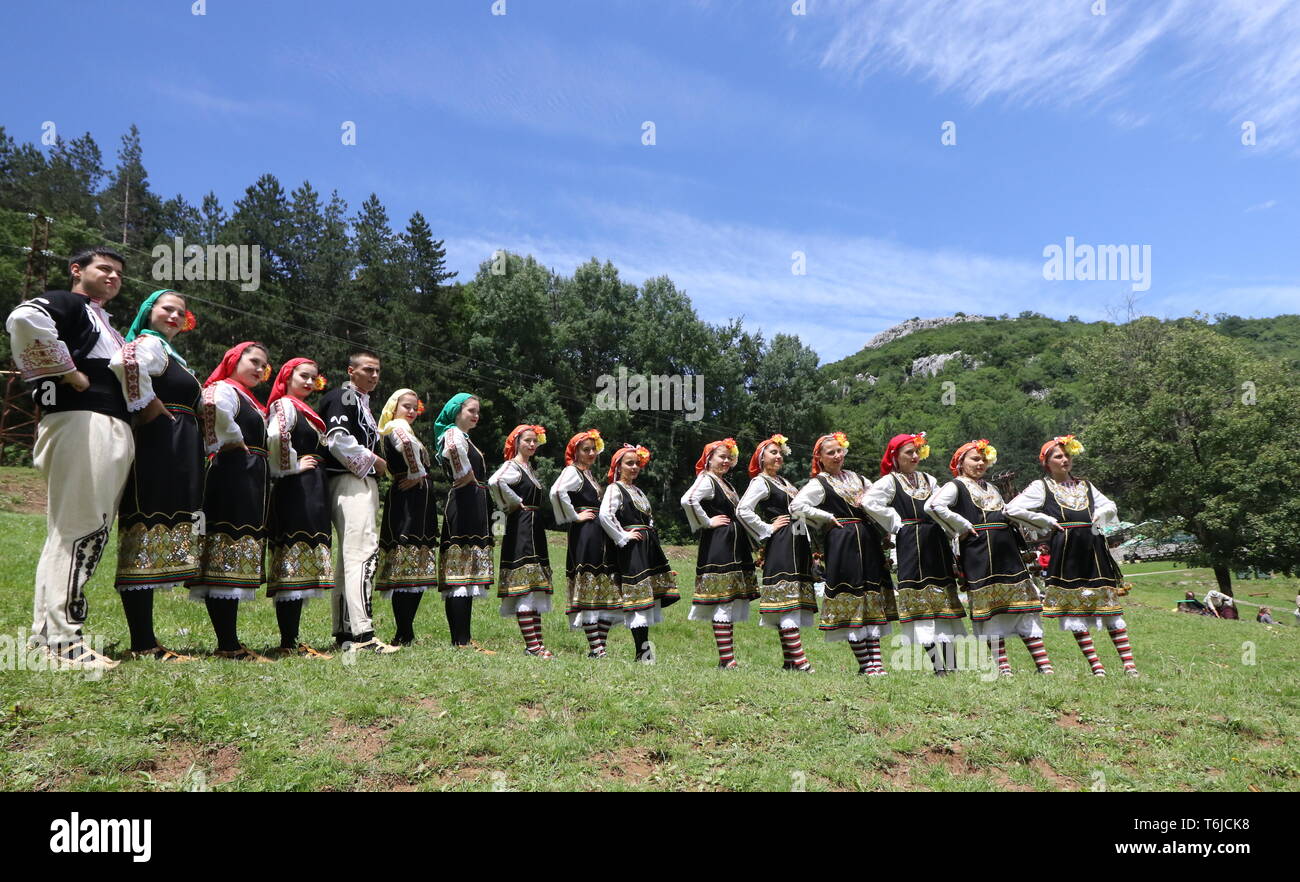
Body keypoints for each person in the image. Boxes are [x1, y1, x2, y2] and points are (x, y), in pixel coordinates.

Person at [6, 247, 134, 670]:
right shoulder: (69, 302)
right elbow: (24, 319)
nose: (113, 276)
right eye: (104, 268)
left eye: (118, 272)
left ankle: (50, 635)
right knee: (80, 528)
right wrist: (67, 371)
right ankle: (61, 641)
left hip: (100, 423)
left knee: (82, 528)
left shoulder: (99, 318)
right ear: (77, 271)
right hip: (83, 422)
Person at [108, 289, 201, 662]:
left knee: (155, 531)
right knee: (143, 529)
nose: (175, 316)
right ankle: (142, 642)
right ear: (149, 312)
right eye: (167, 309)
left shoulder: (169, 352)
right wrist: (146, 404)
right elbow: (123, 360)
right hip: (157, 447)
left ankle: (147, 640)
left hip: (176, 448)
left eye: (181, 311)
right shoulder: (148, 344)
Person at [1006, 435, 1137, 676]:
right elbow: (1012, 509)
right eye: (1058, 456)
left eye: (1067, 455)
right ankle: (1096, 667)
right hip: (1066, 549)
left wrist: (1100, 514)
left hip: (1094, 547)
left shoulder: (1085, 486)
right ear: (1047, 462)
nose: (1065, 459)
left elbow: (1110, 505)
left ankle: (1129, 665)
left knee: (1109, 604)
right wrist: (1044, 521)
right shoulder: (1041, 487)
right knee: (1075, 607)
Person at [926, 439, 1054, 676]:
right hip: (978, 553)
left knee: (1024, 605)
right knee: (990, 609)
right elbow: (933, 506)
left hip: (1007, 551)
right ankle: (1003, 667)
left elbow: (1008, 513)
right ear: (961, 463)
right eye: (975, 458)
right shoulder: (956, 486)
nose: (980, 463)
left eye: (984, 459)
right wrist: (961, 526)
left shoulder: (992, 488)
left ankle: (1043, 665)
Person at [189, 342, 274, 662]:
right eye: (253, 361)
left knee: (236, 552)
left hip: (250, 476)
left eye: (263, 366)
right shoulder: (224, 388)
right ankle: (227, 643)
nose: (259, 368)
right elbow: (210, 404)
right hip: (231, 474)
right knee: (225, 548)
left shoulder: (251, 400)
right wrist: (232, 439)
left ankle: (230, 641)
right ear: (234, 360)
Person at [790, 432, 897, 676]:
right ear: (820, 457)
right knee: (850, 594)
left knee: (871, 597)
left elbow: (881, 499)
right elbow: (796, 506)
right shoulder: (820, 483)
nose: (837, 456)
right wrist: (826, 517)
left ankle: (876, 663)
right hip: (842, 541)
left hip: (867, 539)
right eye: (831, 453)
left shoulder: (859, 479)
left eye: (840, 451)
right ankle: (865, 664)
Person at [863, 432, 968, 676]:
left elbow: (943, 505)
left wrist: (950, 528)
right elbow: (870, 502)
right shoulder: (891, 482)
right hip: (911, 542)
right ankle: (938, 666)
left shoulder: (928, 479)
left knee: (943, 600)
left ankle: (951, 664)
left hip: (935, 541)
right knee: (920, 601)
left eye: (916, 452)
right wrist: (896, 522)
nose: (914, 456)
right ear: (895, 456)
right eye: (908, 452)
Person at [317, 350, 398, 654]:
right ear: (351, 371)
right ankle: (363, 635)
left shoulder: (361, 402)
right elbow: (337, 438)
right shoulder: (344, 397)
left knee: (350, 557)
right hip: (351, 479)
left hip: (354, 480)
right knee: (363, 553)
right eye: (368, 370)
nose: (374, 376)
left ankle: (346, 631)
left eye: (377, 371)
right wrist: (375, 461)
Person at [264, 358, 335, 658]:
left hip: (311, 488)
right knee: (292, 557)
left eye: (313, 378)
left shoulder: (306, 411)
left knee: (301, 557)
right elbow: (276, 436)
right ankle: (287, 642)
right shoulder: (284, 406)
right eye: (303, 376)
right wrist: (292, 465)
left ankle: (291, 639)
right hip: (296, 488)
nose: (308, 382)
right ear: (287, 377)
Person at [736, 434, 817, 671]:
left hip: (798, 540)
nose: (779, 456)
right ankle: (800, 660)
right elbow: (743, 510)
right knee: (787, 599)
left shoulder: (783, 482)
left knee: (794, 598)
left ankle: (789, 662)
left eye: (780, 453)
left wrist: (809, 544)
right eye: (773, 452)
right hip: (783, 541)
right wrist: (767, 528)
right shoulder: (761, 482)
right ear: (761, 458)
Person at [682, 438, 759, 669]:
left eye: (729, 457)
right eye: (721, 457)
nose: (726, 461)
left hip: (734, 544)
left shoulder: (725, 483)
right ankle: (727, 660)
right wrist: (707, 522)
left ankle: (727, 658)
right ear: (709, 459)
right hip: (720, 544)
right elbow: (688, 500)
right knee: (723, 599)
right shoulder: (706, 479)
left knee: (731, 599)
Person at [600, 444, 680, 661]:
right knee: (638, 599)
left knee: (647, 598)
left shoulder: (638, 491)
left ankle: (644, 654)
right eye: (629, 463)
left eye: (637, 463)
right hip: (632, 549)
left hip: (646, 547)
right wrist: (623, 537)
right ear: (618, 466)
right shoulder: (614, 488)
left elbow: (648, 518)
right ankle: (642, 654)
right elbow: (605, 515)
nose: (634, 467)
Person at [550, 429, 621, 657]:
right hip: (586, 533)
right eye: (585, 449)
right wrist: (574, 516)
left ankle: (599, 647)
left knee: (604, 584)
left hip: (598, 534)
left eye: (593, 449)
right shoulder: (572, 471)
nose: (591, 453)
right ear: (575, 452)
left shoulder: (587, 474)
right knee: (589, 581)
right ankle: (596, 647)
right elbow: (557, 491)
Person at [432, 393, 495, 653]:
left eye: (477, 411)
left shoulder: (465, 436)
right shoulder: (453, 434)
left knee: (467, 574)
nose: (475, 415)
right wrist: (465, 473)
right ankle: (459, 640)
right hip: (464, 503)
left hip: (474, 502)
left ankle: (464, 639)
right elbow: (455, 454)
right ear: (456, 411)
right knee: (459, 573)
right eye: (471, 410)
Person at [374, 388, 437, 645]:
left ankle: (406, 631)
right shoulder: (397, 426)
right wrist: (417, 473)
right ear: (394, 408)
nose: (410, 412)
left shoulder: (401, 427)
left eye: (414, 408)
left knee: (413, 566)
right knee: (407, 560)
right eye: (406, 406)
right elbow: (408, 445)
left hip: (416, 500)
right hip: (409, 500)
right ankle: (403, 631)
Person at [489, 424, 556, 657]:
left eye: (534, 441)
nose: (532, 444)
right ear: (517, 442)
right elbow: (495, 482)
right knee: (526, 585)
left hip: (533, 526)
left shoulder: (528, 468)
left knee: (535, 586)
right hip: (522, 528)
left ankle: (536, 644)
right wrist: (512, 503)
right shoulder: (512, 466)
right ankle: (532, 645)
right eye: (527, 440)